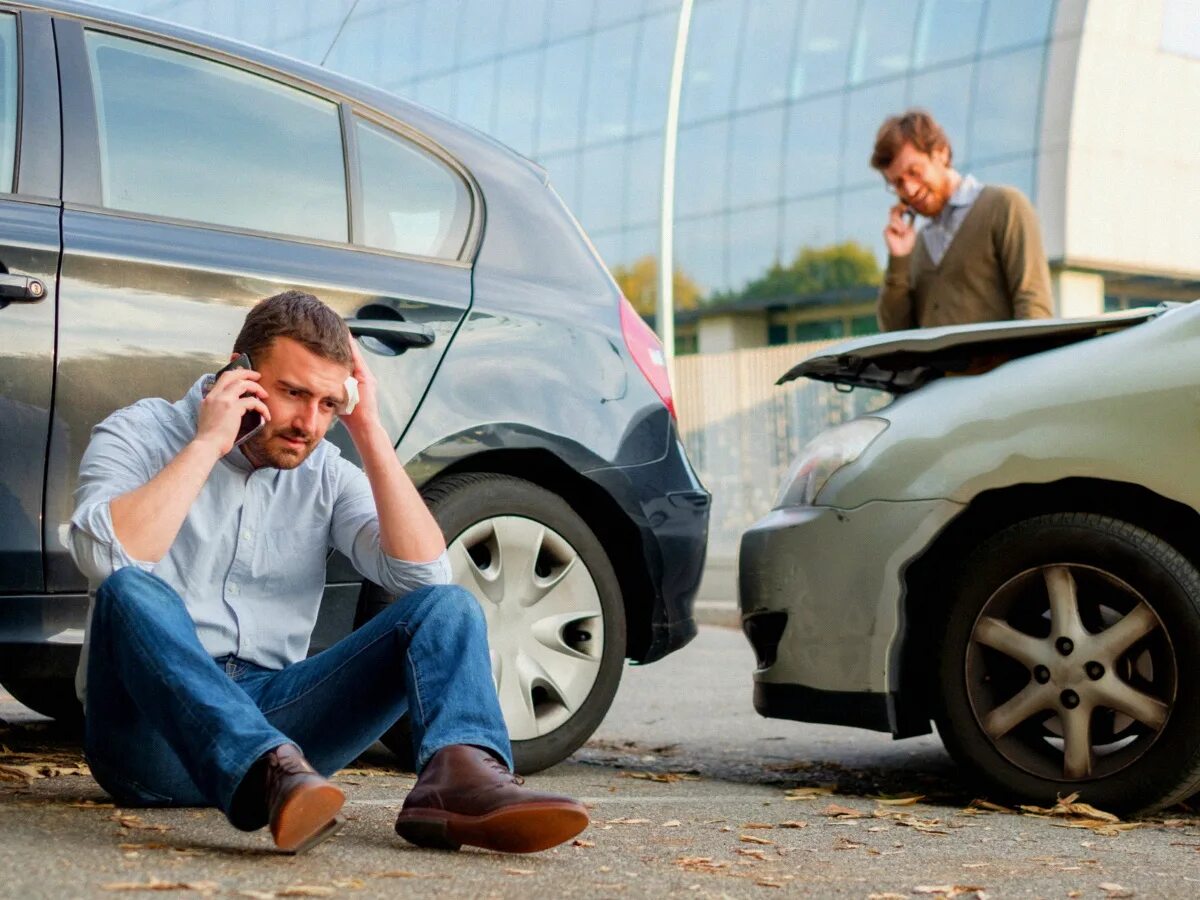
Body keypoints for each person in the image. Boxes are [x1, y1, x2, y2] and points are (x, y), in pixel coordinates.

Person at [69, 290, 588, 855]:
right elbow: (108, 558)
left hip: (286, 740)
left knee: (449, 606)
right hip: (154, 738)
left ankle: (457, 784)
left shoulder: (325, 472)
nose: (308, 424)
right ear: (238, 372)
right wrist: (209, 444)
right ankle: (260, 770)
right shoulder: (141, 432)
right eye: (294, 393)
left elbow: (422, 576)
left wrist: (369, 430)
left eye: (328, 403)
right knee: (130, 588)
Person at [870, 109, 1053, 331]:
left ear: (941, 153)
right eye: (898, 183)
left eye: (914, 172)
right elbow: (895, 332)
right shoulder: (916, 245)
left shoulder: (1004, 206)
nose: (909, 189)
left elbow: (1034, 308)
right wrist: (899, 259)